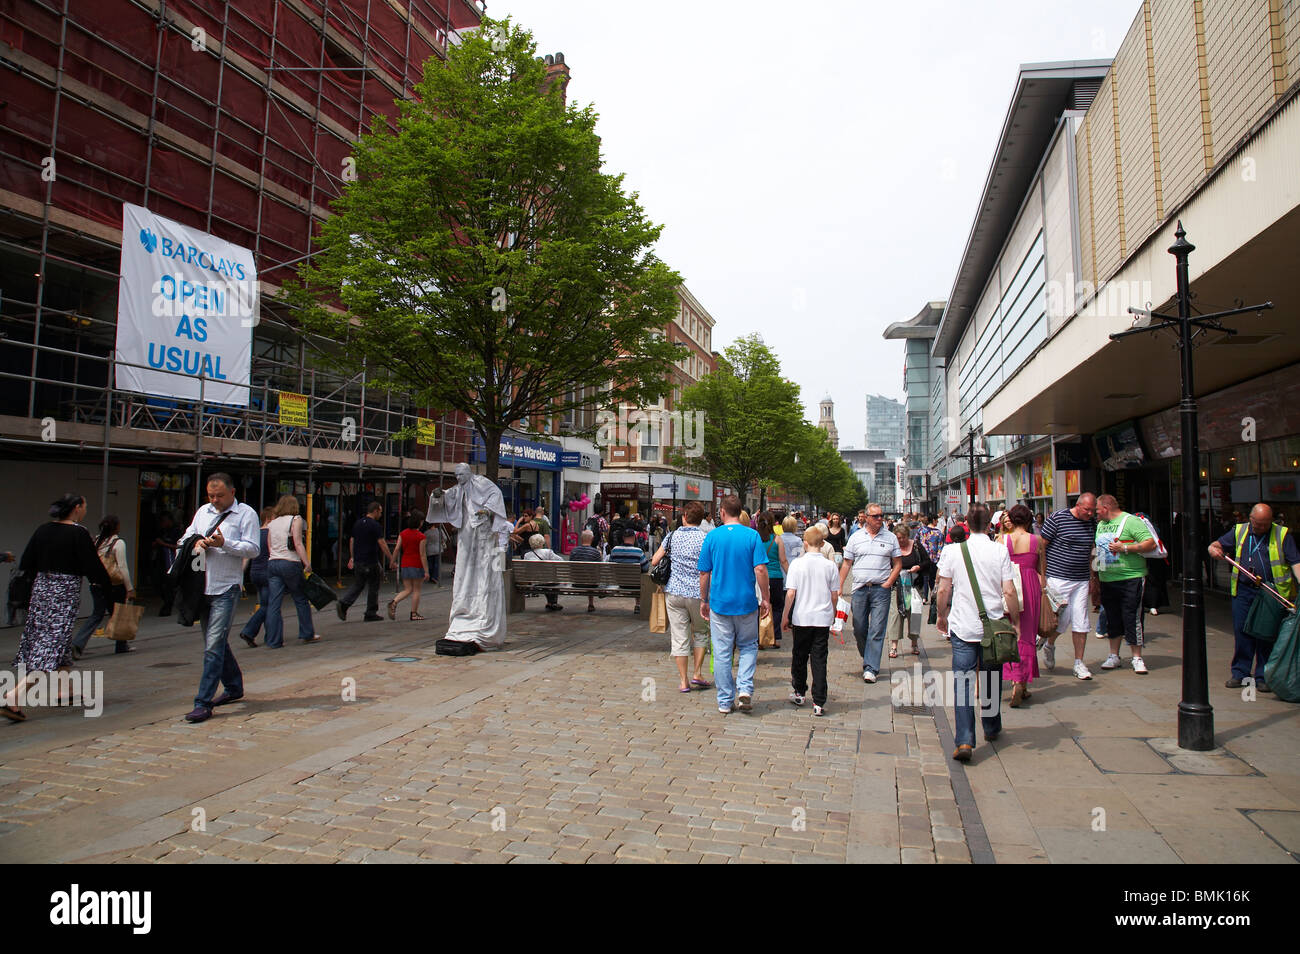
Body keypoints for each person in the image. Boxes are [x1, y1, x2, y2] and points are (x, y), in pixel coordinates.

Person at [2, 494, 113, 723]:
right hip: (64, 593)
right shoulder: (79, 533)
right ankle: (13, 695)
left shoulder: (43, 530)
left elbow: (26, 562)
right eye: (84, 506)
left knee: (57, 642)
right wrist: (108, 589)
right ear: (76, 508)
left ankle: (64, 691)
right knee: (50, 646)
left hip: (41, 591)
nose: (85, 510)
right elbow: (93, 566)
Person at [934, 504, 1019, 761]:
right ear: (989, 525)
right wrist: (1014, 620)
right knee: (992, 677)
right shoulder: (1000, 550)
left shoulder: (952, 551)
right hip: (992, 625)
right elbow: (1009, 591)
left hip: (962, 625)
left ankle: (964, 740)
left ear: (967, 525)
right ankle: (991, 727)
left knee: (963, 682)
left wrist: (941, 615)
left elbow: (943, 589)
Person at [179, 474, 260, 723]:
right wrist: (196, 544)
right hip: (202, 585)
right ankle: (234, 686)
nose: (214, 500)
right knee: (216, 643)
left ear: (232, 492)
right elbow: (185, 538)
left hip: (227, 587)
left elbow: (253, 548)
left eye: (219, 496)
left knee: (213, 646)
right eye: (211, 495)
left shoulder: (246, 514)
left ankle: (203, 702)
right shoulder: (203, 512)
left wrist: (226, 543)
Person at [1208, 503, 1300, 691]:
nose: (1261, 528)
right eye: (1258, 524)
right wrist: (1214, 550)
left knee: (1265, 633)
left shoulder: (1281, 534)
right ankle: (1240, 673)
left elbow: (1295, 562)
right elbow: (1216, 545)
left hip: (1270, 592)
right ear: (1250, 519)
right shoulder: (1240, 531)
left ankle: (1263, 675)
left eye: (1265, 524)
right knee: (1242, 631)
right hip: (1244, 590)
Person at [426, 463, 514, 650]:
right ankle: (465, 613)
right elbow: (445, 498)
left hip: (483, 533)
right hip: (466, 533)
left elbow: (495, 496)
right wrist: (436, 495)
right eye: (456, 475)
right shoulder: (458, 490)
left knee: (484, 571)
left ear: (469, 473)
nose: (458, 479)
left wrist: (488, 511)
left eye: (461, 475)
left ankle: (481, 615)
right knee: (465, 569)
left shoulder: (483, 483)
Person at [698, 495, 770, 715]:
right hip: (746, 601)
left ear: (721, 512)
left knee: (721, 652)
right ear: (740, 512)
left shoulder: (712, 537)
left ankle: (724, 699)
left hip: (720, 602)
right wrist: (765, 597)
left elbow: (704, 572)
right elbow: (760, 569)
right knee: (748, 646)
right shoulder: (752, 536)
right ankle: (745, 688)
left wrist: (703, 600)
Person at [651, 501, 711, 693]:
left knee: (679, 636)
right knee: (701, 632)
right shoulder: (706, 538)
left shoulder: (672, 536)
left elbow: (655, 560)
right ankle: (698, 673)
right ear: (701, 519)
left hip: (674, 592)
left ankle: (684, 680)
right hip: (697, 594)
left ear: (684, 516)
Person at [839, 503, 902, 684]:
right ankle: (868, 655)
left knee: (877, 629)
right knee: (859, 628)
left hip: (880, 589)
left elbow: (897, 563)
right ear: (866, 517)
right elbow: (846, 564)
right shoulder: (856, 537)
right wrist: (839, 586)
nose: (879, 519)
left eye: (881, 515)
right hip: (859, 589)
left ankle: (871, 667)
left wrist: (888, 582)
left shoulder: (890, 538)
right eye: (875, 516)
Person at [1093, 494, 1155, 674]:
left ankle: (1137, 656)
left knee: (1132, 616)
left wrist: (1125, 548)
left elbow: (1150, 543)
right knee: (1112, 617)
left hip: (1131, 577)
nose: (1095, 514)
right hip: (1107, 578)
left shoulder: (1131, 521)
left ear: (1106, 507)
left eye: (1097, 510)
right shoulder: (1101, 525)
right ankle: (1114, 655)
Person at [783, 526, 840, 717]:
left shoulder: (797, 565)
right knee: (819, 658)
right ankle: (819, 700)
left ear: (804, 543)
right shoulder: (830, 566)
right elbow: (834, 594)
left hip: (802, 617)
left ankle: (799, 691)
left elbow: (791, 593)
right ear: (822, 543)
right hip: (822, 618)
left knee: (799, 656)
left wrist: (785, 615)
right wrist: (833, 613)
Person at [1040, 492, 1097, 679]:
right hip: (1058, 578)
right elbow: (1042, 547)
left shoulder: (1092, 523)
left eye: (1093, 511)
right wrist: (1042, 576)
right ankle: (1049, 645)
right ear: (1078, 505)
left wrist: (1093, 576)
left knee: (1082, 621)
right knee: (1059, 621)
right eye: (1087, 510)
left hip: (1081, 579)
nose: (1090, 514)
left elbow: (1092, 550)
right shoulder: (1058, 518)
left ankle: (1079, 663)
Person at [70, 515, 134, 657]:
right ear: (117, 527)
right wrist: (129, 588)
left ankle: (78, 643)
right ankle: (121, 645)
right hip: (114, 584)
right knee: (119, 614)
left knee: (97, 614)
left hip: (96, 584)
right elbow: (123, 567)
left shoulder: (96, 541)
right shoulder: (118, 543)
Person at [1002, 504, 1043, 707]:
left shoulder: (1002, 539)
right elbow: (1041, 571)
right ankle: (1022, 682)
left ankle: (1015, 678)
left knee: (1010, 634)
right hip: (1029, 586)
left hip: (1009, 586)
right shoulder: (1037, 540)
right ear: (1028, 520)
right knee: (1027, 635)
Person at [264, 494, 317, 648]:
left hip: (273, 563)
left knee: (274, 603)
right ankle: (307, 633)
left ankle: (273, 640)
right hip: (290, 562)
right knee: (300, 598)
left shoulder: (272, 523)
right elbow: (298, 543)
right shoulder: (296, 520)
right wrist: (306, 563)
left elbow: (269, 545)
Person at [337, 501, 392, 623]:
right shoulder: (375, 525)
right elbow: (382, 543)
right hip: (370, 560)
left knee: (359, 584)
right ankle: (370, 612)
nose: (381, 514)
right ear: (376, 510)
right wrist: (391, 558)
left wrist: (353, 557)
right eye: (381, 512)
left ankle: (344, 603)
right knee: (374, 586)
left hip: (359, 560)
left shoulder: (358, 523)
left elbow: (352, 540)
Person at [887, 524, 930, 658]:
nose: (901, 541)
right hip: (897, 586)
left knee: (914, 614)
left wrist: (918, 567)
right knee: (896, 615)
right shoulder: (892, 548)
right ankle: (894, 646)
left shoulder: (916, 546)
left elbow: (927, 561)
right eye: (898, 538)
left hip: (914, 586)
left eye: (903, 538)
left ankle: (914, 643)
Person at [238, 507, 277, 646]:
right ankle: (248, 631)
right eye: (275, 518)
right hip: (267, 573)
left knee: (265, 603)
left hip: (255, 573)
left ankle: (269, 636)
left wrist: (241, 573)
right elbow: (273, 553)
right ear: (268, 519)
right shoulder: (270, 534)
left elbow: (247, 556)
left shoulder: (254, 534)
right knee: (268, 606)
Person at [756, 512, 788, 649]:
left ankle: (759, 637)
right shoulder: (777, 539)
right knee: (777, 608)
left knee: (759, 608)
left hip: (759, 578)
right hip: (775, 577)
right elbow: (783, 560)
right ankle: (774, 638)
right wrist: (791, 575)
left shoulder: (755, 538)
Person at [390, 514, 432, 620]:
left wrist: (392, 561)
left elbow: (396, 549)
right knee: (416, 590)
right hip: (417, 564)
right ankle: (414, 613)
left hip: (405, 563)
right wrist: (426, 570)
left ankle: (394, 602)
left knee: (407, 589)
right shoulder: (421, 536)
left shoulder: (403, 534)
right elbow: (422, 554)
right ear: (420, 523)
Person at [609, 526, 650, 613]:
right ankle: (638, 604)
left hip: (620, 582)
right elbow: (646, 568)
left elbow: (610, 565)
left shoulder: (614, 550)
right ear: (634, 538)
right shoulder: (638, 552)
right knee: (641, 576)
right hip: (635, 584)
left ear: (623, 538)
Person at [522, 532, 565, 611]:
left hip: (535, 581)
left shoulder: (527, 555)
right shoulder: (548, 552)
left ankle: (550, 603)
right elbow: (561, 560)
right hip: (550, 580)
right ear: (542, 542)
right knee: (552, 580)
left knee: (545, 580)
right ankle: (553, 603)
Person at [151, 513, 180, 616]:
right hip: (160, 561)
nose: (162, 524)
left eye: (164, 521)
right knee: (157, 584)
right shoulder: (162, 531)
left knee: (168, 586)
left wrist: (163, 544)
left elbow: (178, 546)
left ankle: (168, 606)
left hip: (170, 562)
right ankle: (167, 602)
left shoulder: (176, 531)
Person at [569, 529, 605, 613]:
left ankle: (591, 603)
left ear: (581, 539)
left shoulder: (574, 551)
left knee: (589, 575)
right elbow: (600, 569)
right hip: (591, 583)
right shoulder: (595, 552)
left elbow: (571, 567)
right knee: (591, 575)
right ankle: (591, 603)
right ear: (592, 539)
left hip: (576, 582)